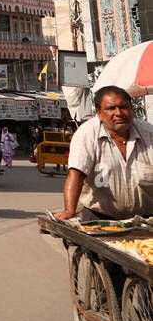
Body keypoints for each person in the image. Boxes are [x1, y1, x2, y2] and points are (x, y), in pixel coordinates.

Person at [52, 86, 153, 221]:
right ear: (99, 113)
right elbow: (76, 174)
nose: (119, 113)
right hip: (99, 217)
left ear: (131, 109)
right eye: (111, 108)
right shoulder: (87, 134)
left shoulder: (149, 133)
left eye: (124, 107)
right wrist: (69, 211)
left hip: (146, 219)